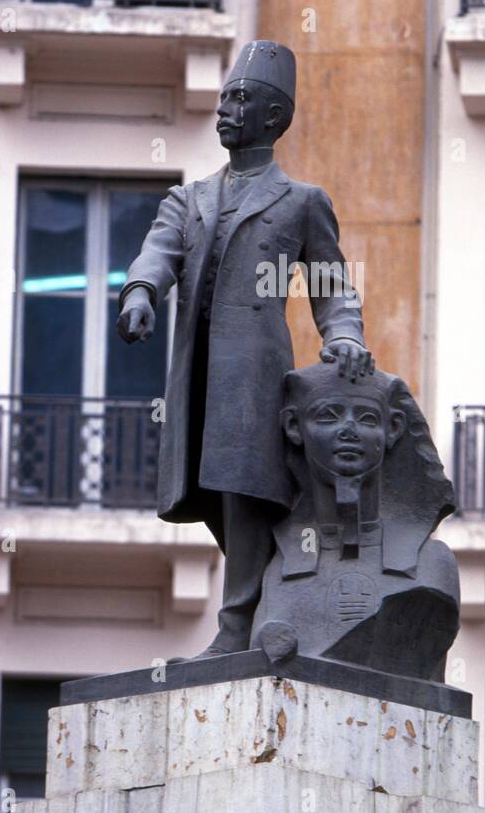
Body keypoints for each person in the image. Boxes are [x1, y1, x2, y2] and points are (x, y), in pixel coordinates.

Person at [117, 39, 373, 658]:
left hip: (254, 371)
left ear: (274, 118)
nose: (225, 110)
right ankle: (274, 599)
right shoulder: (189, 198)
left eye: (241, 99)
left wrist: (343, 334)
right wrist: (142, 291)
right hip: (197, 370)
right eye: (224, 98)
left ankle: (239, 624)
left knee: (244, 488)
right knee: (210, 493)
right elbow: (160, 251)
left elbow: (331, 284)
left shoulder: (303, 201)